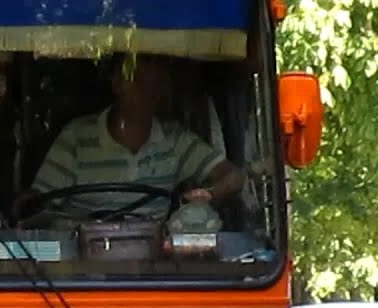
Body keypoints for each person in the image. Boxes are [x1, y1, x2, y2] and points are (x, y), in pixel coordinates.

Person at [21, 53, 246, 222]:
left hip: (151, 268)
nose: (147, 93)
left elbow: (234, 176)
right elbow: (38, 204)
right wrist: (25, 206)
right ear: (117, 83)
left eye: (156, 85)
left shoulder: (174, 140)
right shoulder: (77, 138)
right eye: (138, 82)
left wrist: (209, 194)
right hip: (81, 271)